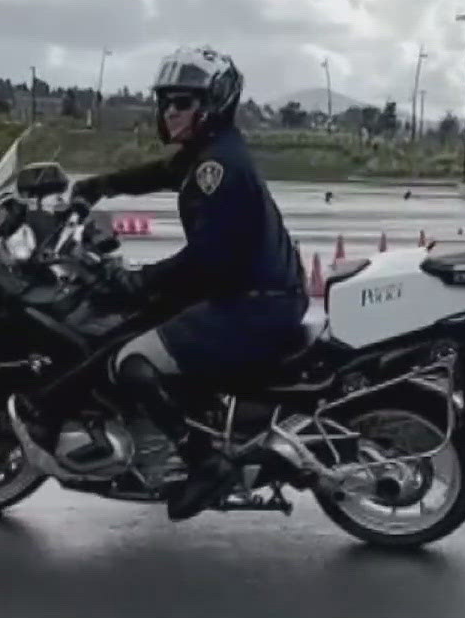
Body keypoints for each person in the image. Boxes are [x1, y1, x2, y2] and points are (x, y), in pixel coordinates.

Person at [67, 45, 310, 520]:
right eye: (165, 102)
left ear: (212, 103)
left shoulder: (217, 169)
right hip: (259, 292)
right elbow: (160, 173)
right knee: (151, 326)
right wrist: (98, 186)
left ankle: (204, 462)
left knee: (132, 359)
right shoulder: (210, 152)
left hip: (253, 305)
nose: (169, 112)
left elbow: (206, 262)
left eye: (181, 102)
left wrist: (138, 281)